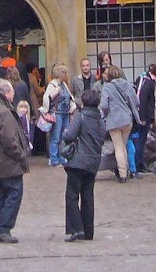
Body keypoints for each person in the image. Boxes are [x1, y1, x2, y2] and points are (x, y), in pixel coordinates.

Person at [0, 77, 30, 243]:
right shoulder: (3, 112)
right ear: (5, 93)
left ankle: (0, 228)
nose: (14, 93)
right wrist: (21, 156)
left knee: (1, 196)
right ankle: (3, 228)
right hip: (7, 163)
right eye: (11, 90)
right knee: (13, 195)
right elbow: (10, 141)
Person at [62, 87, 106, 242]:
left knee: (72, 195)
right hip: (93, 161)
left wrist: (66, 132)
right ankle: (88, 231)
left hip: (78, 161)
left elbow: (69, 135)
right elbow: (102, 138)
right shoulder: (100, 120)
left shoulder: (80, 116)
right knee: (88, 196)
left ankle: (76, 229)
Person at [99, 64, 137, 182]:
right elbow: (136, 101)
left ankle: (122, 174)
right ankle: (126, 170)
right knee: (123, 146)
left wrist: (105, 114)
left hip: (114, 120)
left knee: (118, 147)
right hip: (127, 119)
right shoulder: (127, 84)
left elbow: (104, 105)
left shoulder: (107, 87)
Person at [41, 63, 75, 166]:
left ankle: (61, 157)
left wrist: (73, 106)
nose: (66, 74)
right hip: (57, 114)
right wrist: (55, 92)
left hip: (65, 113)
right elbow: (46, 99)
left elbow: (70, 97)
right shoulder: (52, 85)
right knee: (55, 137)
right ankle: (54, 159)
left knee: (63, 137)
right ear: (60, 73)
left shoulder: (64, 84)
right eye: (64, 72)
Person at [132, 63, 156, 174]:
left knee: (139, 140)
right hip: (143, 116)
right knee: (141, 140)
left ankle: (138, 163)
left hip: (139, 114)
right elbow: (143, 100)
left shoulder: (142, 79)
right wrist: (143, 117)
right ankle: (138, 164)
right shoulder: (149, 83)